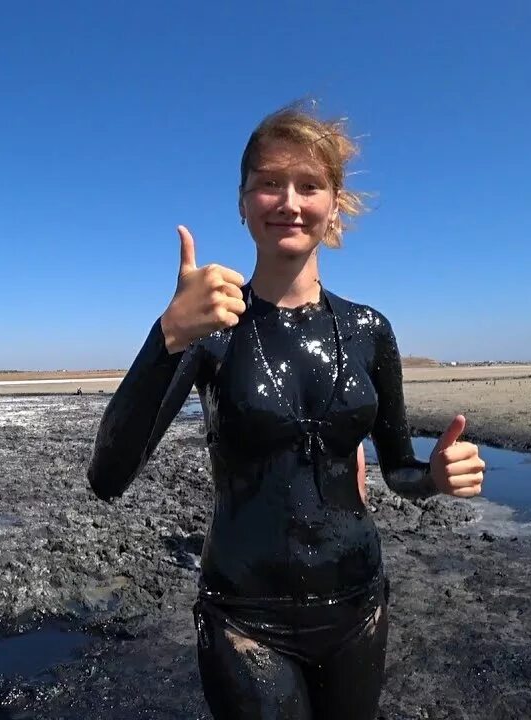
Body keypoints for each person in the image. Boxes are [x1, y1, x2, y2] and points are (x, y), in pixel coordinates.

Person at [87, 103, 485, 719]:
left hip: (359, 604)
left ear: (335, 204)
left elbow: (399, 470)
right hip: (245, 617)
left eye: (309, 185)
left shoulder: (368, 331)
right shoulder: (210, 331)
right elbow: (108, 477)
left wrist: (433, 478)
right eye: (269, 183)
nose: (289, 202)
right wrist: (166, 336)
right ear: (243, 203)